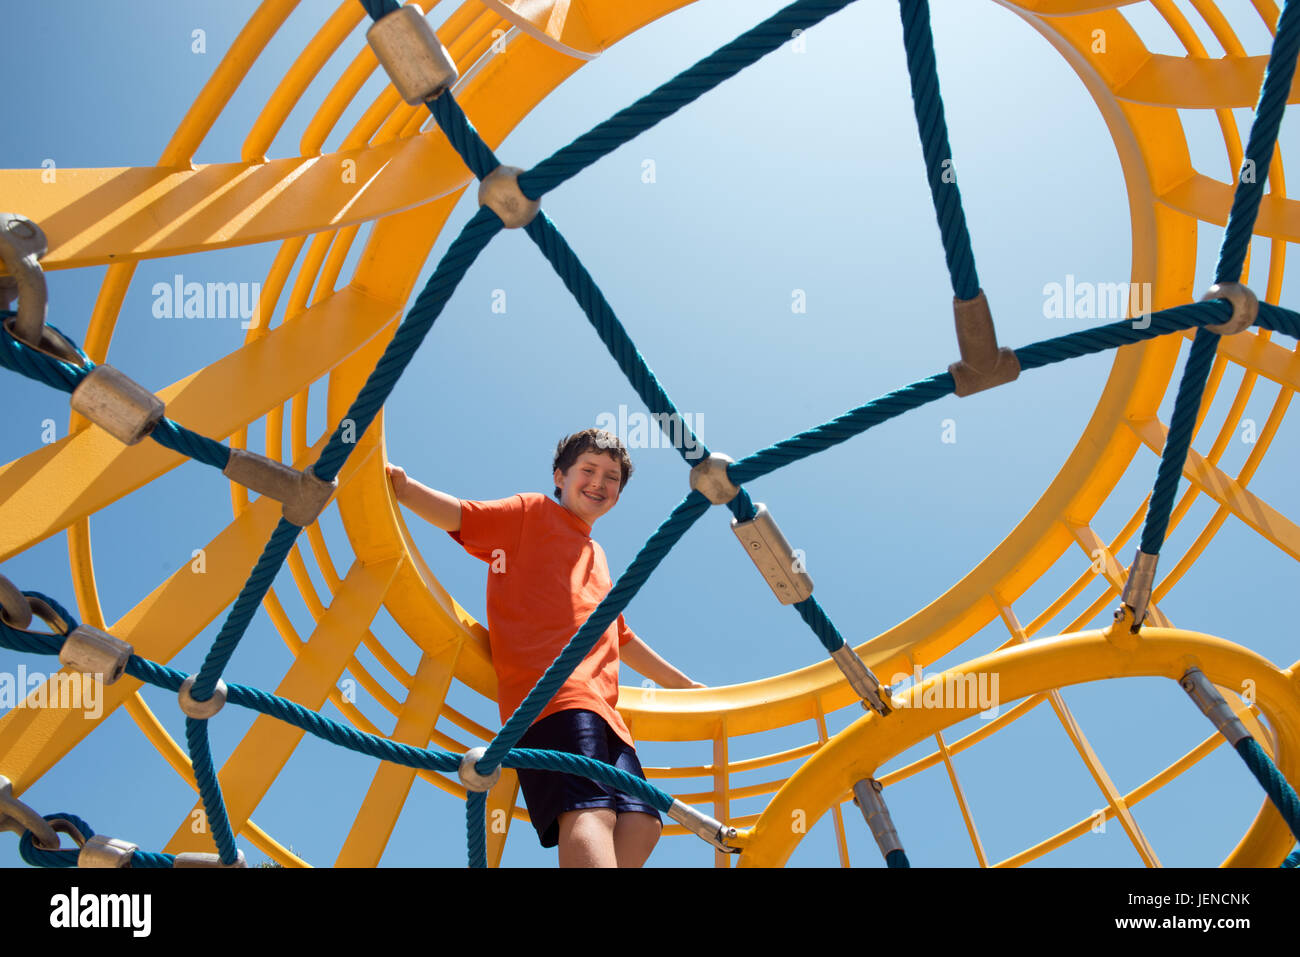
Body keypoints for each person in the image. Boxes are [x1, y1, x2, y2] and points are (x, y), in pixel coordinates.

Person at [386, 428, 703, 867]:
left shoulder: (598, 556)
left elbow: (620, 635)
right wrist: (403, 488)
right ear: (559, 476)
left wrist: (682, 683)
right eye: (587, 470)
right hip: (553, 696)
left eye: (612, 477)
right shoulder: (530, 513)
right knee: (589, 810)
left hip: (606, 712)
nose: (599, 482)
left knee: (643, 823)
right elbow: (462, 515)